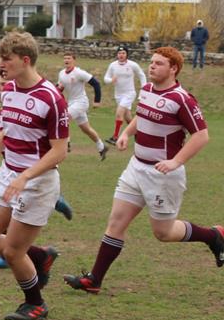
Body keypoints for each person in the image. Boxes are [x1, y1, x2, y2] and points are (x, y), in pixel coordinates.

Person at [64, 47, 224, 293]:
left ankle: (213, 236)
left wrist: (175, 162)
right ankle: (94, 280)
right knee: (116, 222)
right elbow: (142, 116)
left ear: (173, 69)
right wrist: (127, 133)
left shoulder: (182, 99)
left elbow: (201, 136)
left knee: (164, 233)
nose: (152, 66)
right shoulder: (147, 89)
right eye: (151, 62)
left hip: (162, 176)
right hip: (136, 168)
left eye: (159, 63)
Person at [0, 32, 67, 320]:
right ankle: (40, 255)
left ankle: (35, 303)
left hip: (37, 184)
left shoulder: (51, 98)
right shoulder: (9, 90)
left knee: (12, 252)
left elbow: (60, 152)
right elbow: (6, 133)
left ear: (25, 60)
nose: (2, 64)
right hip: (7, 175)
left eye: (6, 59)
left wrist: (25, 177)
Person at [57, 52, 108, 160]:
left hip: (81, 102)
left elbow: (96, 84)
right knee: (86, 129)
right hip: (72, 103)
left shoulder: (79, 72)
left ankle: (67, 143)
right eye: (65, 58)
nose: (66, 60)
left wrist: (97, 101)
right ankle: (102, 147)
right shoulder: (61, 73)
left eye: (69, 58)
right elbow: (59, 88)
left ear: (74, 60)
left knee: (64, 118)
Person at [104, 46, 146, 142]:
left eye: (123, 53)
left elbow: (141, 75)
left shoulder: (132, 65)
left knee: (119, 113)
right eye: (119, 53)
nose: (121, 55)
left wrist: (143, 88)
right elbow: (106, 78)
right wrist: (111, 80)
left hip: (129, 93)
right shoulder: (113, 65)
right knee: (128, 118)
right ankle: (138, 134)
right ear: (117, 54)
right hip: (118, 95)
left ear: (127, 54)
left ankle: (115, 137)